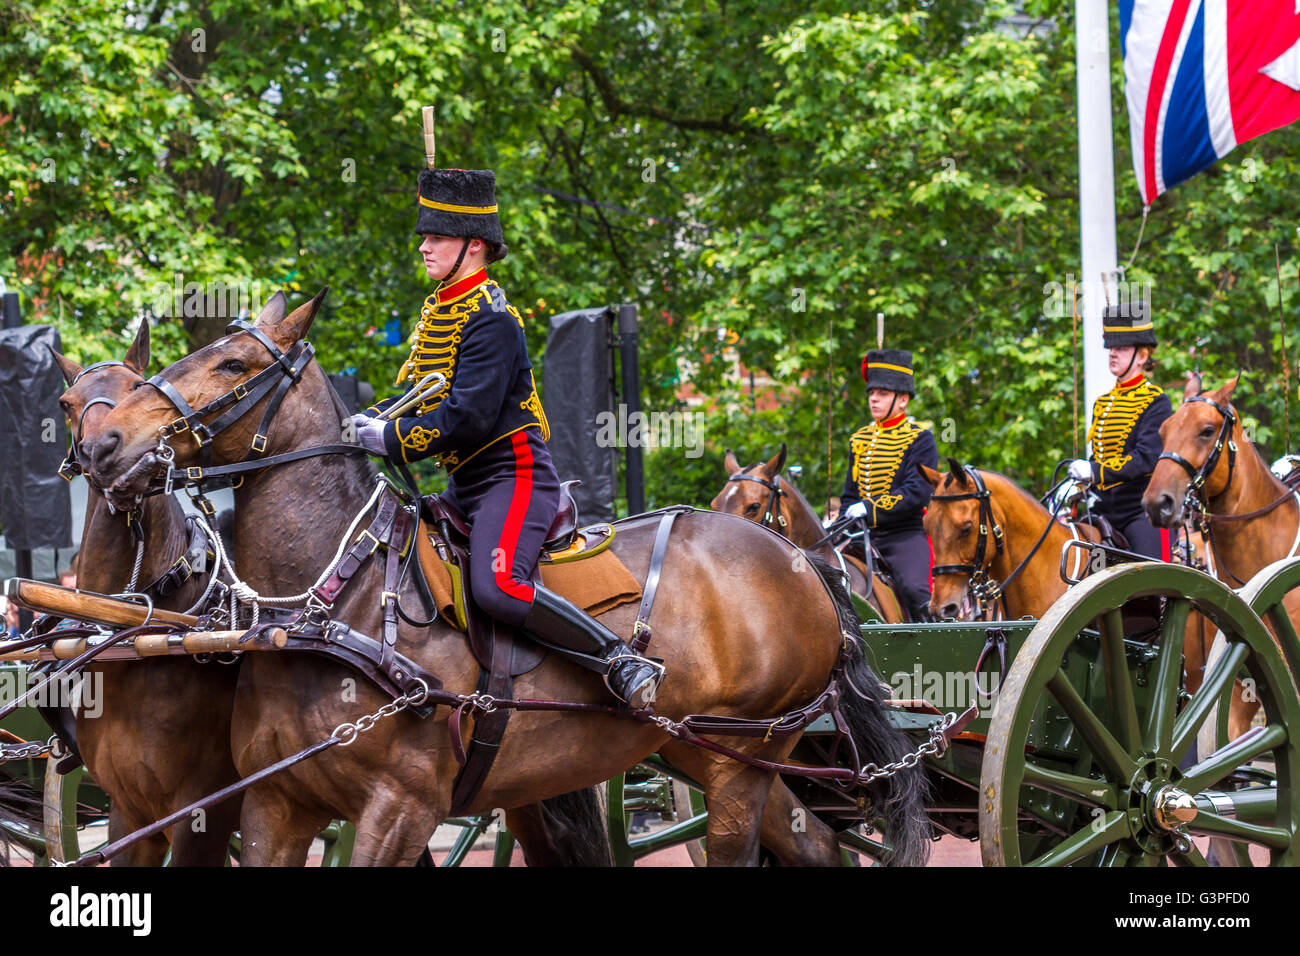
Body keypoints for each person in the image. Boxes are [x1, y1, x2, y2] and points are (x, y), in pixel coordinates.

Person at [349, 166, 663, 707]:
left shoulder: (492, 319)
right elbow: (417, 396)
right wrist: (350, 426)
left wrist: (389, 440)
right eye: (425, 236)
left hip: (511, 479)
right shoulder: (441, 312)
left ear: (473, 246)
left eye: (436, 237)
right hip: (464, 485)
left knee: (497, 587)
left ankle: (619, 660)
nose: (423, 247)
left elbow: (466, 418)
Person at [839, 349, 939, 622]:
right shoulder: (860, 438)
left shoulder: (920, 438)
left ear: (903, 399)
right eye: (872, 393)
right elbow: (849, 493)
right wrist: (839, 522)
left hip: (902, 535)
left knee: (916, 591)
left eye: (882, 393)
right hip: (860, 536)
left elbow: (917, 492)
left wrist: (869, 508)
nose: (873, 399)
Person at [1068, 304, 1172, 559]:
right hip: (1102, 508)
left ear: (1142, 356)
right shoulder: (1102, 403)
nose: (1113, 354)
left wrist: (1094, 472)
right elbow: (1100, 455)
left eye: (1122, 348)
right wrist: (1081, 482)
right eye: (1112, 348)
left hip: (1140, 510)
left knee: (1153, 581)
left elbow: (1146, 458)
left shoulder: (1156, 401)